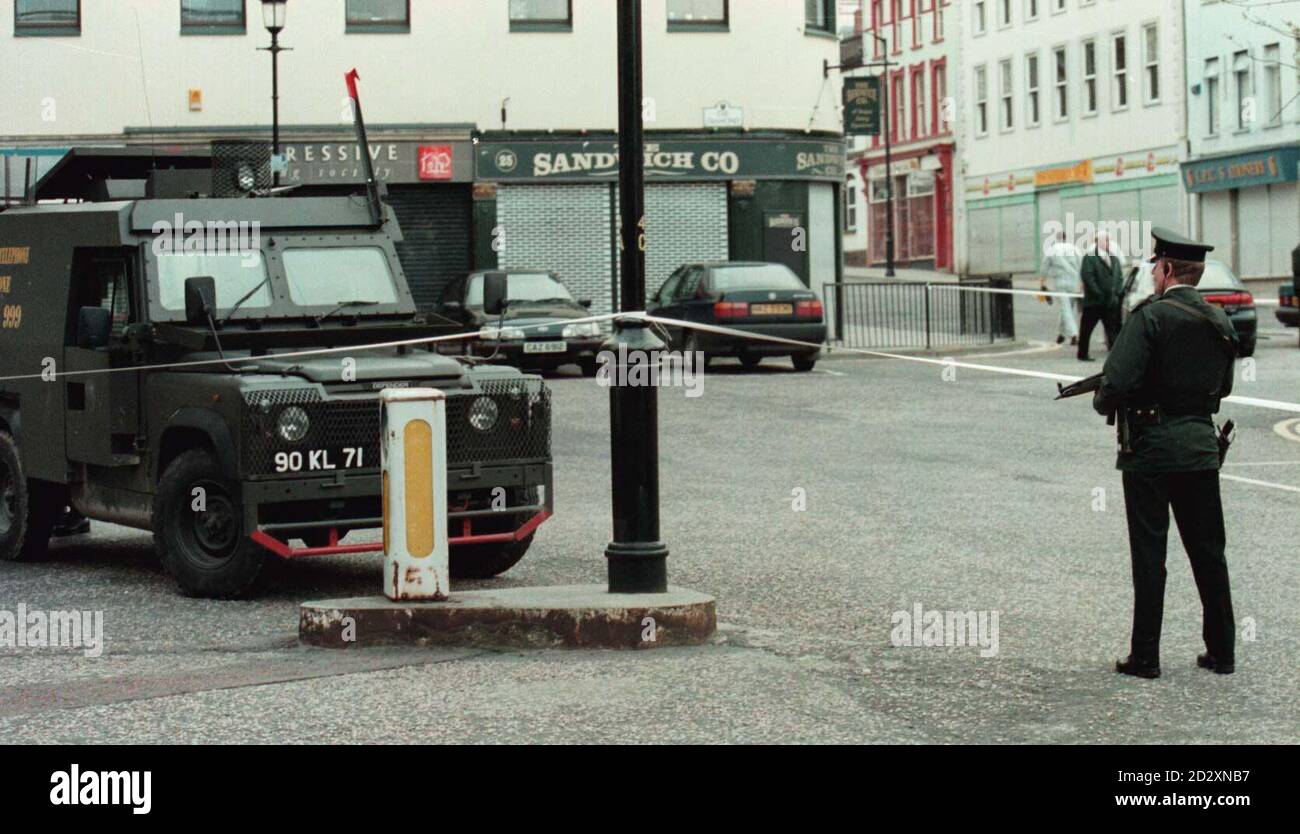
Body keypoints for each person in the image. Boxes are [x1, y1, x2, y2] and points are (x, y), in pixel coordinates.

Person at [1093, 227, 1238, 679]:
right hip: (1199, 449)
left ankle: (1146, 656)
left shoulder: (1149, 317)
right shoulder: (1219, 322)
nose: (1154, 272)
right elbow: (1224, 387)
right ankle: (1221, 653)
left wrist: (1103, 402)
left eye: (1157, 265)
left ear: (1168, 269)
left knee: (1150, 554)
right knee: (1209, 552)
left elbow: (1115, 380)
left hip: (1151, 451)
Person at [1077, 231, 1123, 360]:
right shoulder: (1090, 258)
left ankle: (1116, 356)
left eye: (1109, 240)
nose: (1108, 242)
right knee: (1086, 329)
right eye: (1106, 240)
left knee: (1112, 330)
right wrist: (1098, 293)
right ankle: (1082, 353)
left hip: (1110, 302)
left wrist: (1117, 293)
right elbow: (1088, 277)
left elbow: (1119, 277)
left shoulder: (1114, 258)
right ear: (1097, 241)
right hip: (1094, 302)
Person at [1042, 230, 1081, 345]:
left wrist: (1042, 282)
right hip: (1074, 281)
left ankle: (1073, 334)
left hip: (1060, 281)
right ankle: (1062, 334)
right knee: (1068, 308)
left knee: (1065, 309)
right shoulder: (1075, 248)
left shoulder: (1052, 250)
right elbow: (1081, 264)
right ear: (1066, 238)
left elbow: (1044, 267)